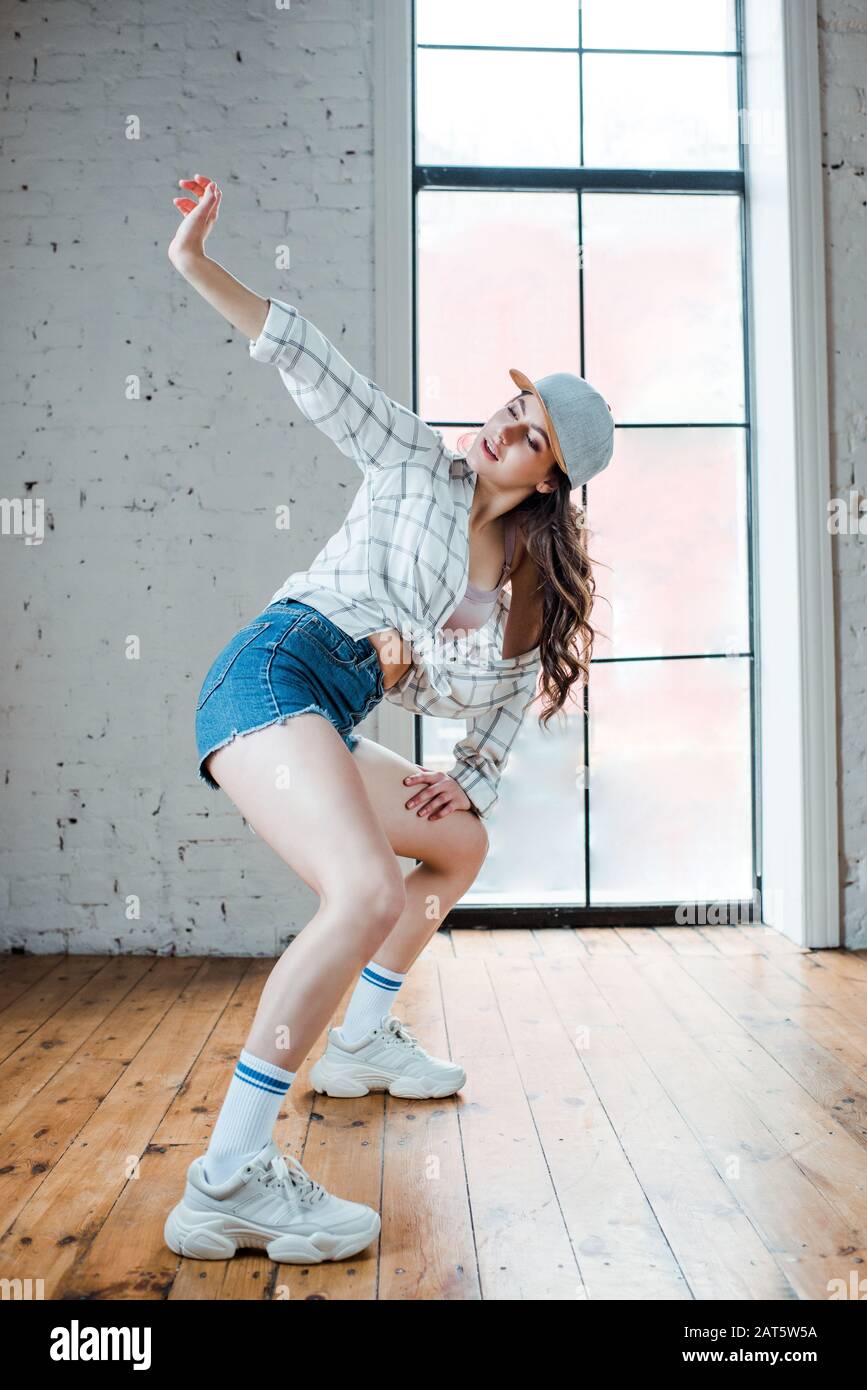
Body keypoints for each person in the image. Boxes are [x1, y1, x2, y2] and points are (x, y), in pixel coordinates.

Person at [162, 176, 615, 1266]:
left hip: (327, 702)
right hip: (277, 665)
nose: (502, 426)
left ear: (550, 481)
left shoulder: (515, 587)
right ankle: (226, 1177)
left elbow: (490, 705)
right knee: (363, 890)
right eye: (512, 407)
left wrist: (469, 776)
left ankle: (361, 1035)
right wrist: (196, 264)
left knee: (459, 843)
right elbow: (314, 362)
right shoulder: (413, 459)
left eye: (529, 434)